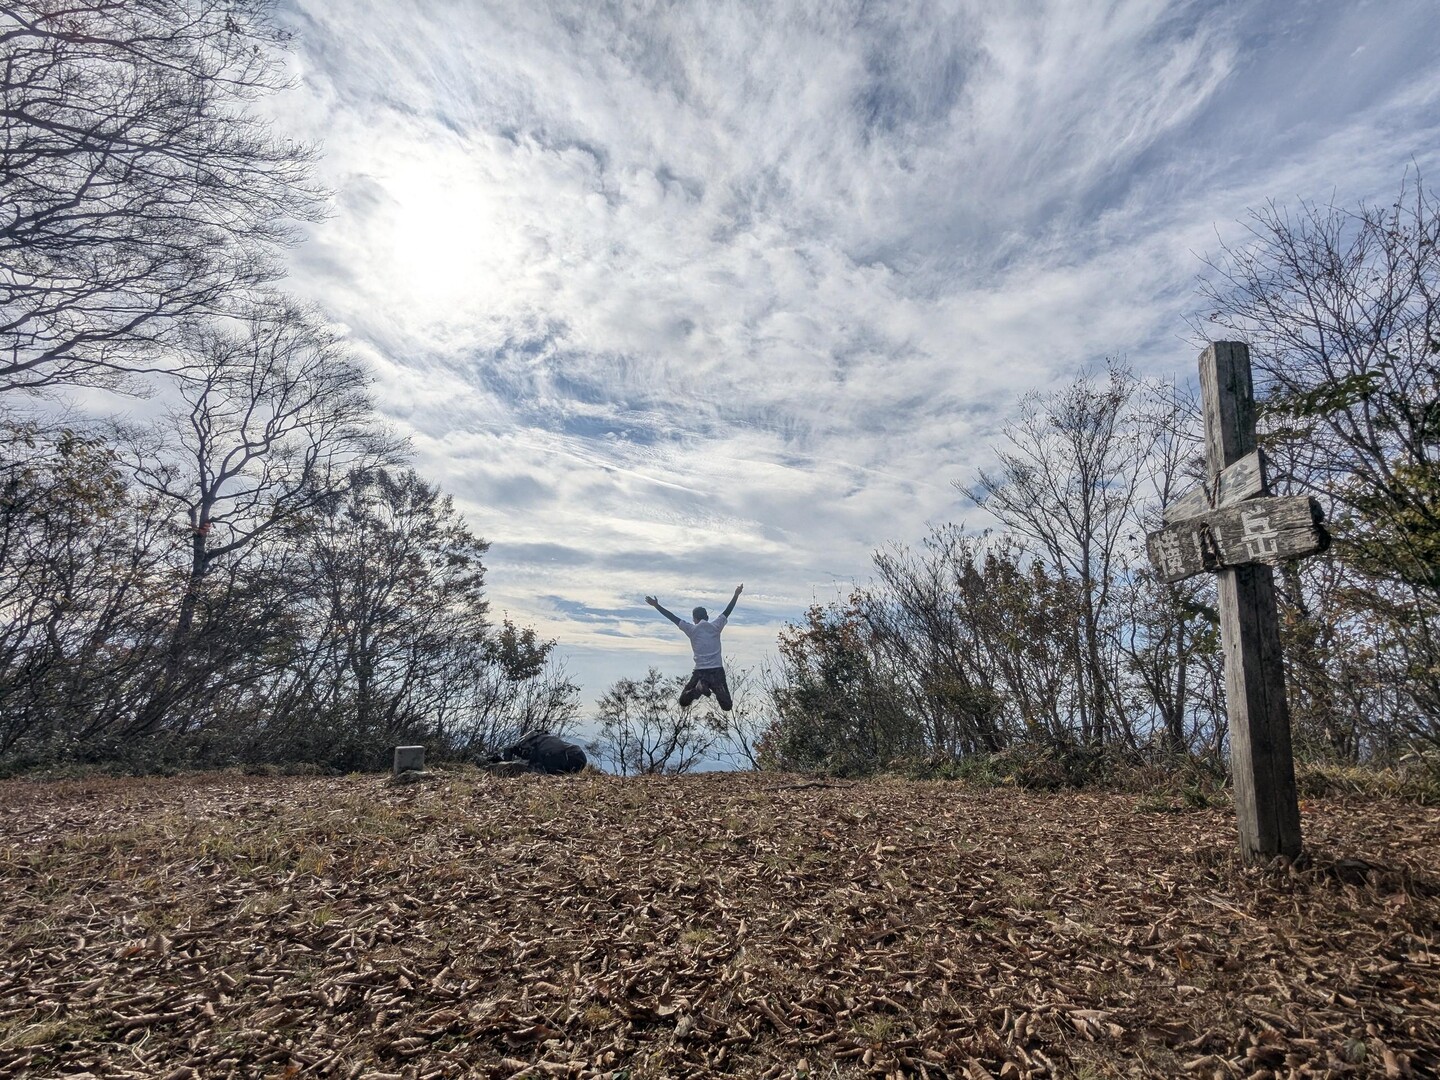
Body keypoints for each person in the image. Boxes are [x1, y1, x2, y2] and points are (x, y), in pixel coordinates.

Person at [645, 584, 743, 711]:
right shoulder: (715, 626)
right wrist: (736, 594)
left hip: (700, 672)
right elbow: (728, 610)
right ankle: (717, 688)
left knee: (684, 701)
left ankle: (698, 689)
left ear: (694, 619)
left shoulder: (691, 629)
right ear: (707, 617)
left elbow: (672, 617)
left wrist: (657, 605)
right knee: (727, 706)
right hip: (717, 671)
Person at [500, 731, 587, 774]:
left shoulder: (534, 746)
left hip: (570, 756)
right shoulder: (545, 740)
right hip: (578, 753)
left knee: (537, 770)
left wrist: (507, 763)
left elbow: (531, 765)